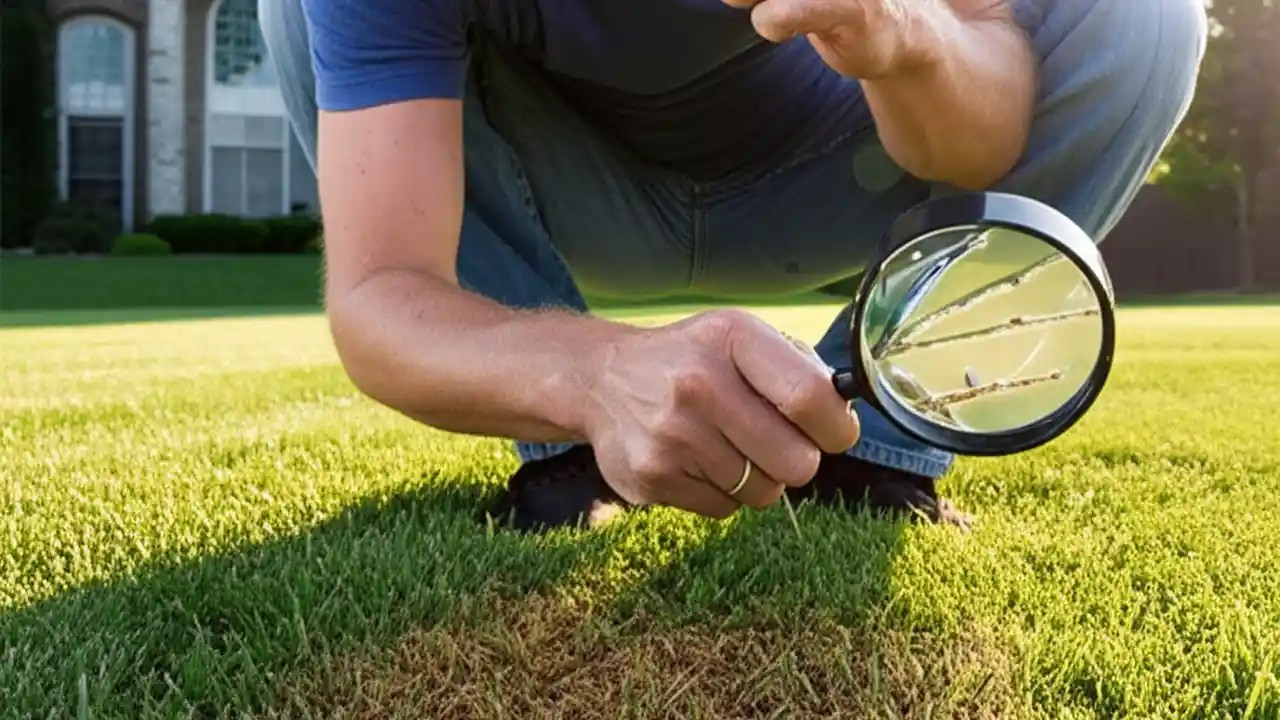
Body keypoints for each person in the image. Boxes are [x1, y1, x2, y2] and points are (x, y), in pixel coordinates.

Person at [260, 0, 1206, 531]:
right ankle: (571, 457)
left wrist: (904, 36)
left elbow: (969, 159)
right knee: (295, 13)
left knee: (1148, 18)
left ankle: (872, 445)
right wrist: (591, 376)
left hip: (837, 178)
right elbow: (382, 294)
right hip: (571, 193)